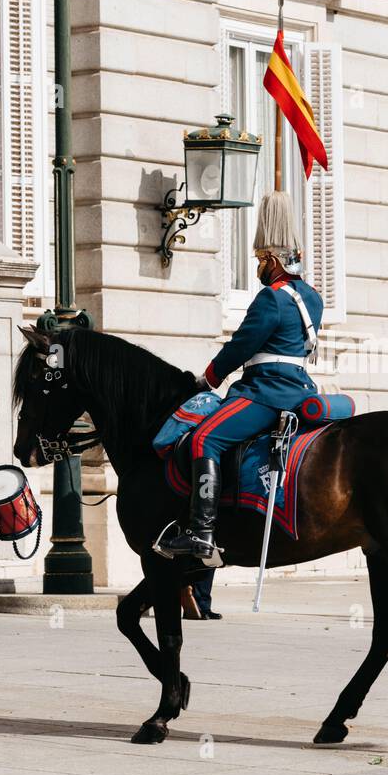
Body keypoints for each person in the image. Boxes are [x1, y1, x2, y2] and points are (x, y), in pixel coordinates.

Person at [156, 191, 323, 559]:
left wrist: (209, 378)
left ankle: (201, 532)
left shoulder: (271, 299)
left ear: (272, 259)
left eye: (260, 259)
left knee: (204, 440)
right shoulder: (312, 297)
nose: (258, 267)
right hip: (302, 388)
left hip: (267, 392)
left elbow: (241, 346)